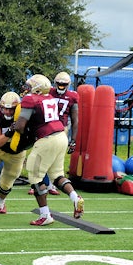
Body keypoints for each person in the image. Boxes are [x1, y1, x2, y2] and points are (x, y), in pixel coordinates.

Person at [16, 74, 85, 226]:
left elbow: (21, 126)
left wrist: (15, 130)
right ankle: (75, 198)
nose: (27, 89)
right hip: (61, 136)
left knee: (35, 177)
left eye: (30, 86)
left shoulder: (31, 99)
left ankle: (45, 215)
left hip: (46, 139)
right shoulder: (49, 99)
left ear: (38, 88)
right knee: (56, 174)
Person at [50, 72, 79, 154]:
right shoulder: (48, 91)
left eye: (64, 84)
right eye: (59, 84)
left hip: (61, 129)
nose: (61, 86)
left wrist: (73, 140)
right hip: (47, 127)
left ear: (68, 84)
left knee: (57, 155)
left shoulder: (72, 97)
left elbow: (75, 120)